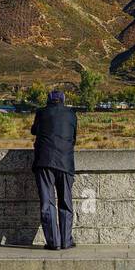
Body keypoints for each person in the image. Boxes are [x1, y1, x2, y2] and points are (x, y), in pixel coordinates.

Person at [30, 89, 77, 250]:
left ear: (48, 101)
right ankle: (66, 240)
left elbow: (34, 130)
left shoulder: (41, 113)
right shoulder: (71, 114)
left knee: (47, 203)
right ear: (63, 100)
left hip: (45, 162)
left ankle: (54, 242)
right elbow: (74, 137)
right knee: (65, 201)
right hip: (65, 162)